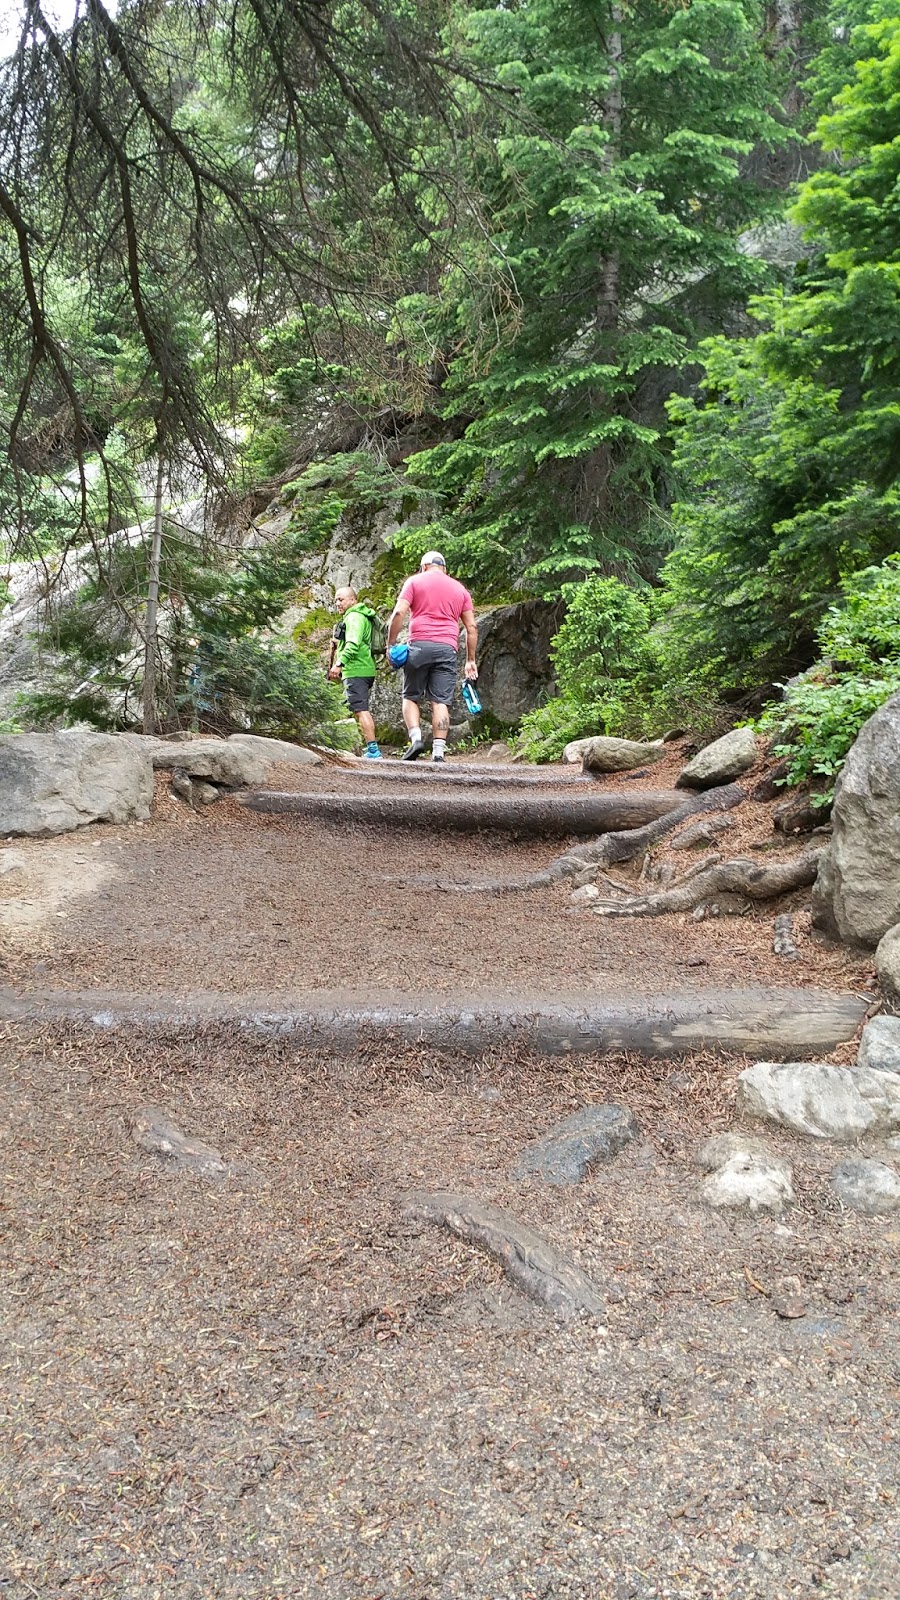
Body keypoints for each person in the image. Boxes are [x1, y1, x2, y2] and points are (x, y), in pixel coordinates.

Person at [386, 551, 478, 762]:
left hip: (419, 646)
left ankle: (416, 738)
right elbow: (471, 626)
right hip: (447, 648)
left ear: (424, 566)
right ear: (444, 568)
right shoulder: (460, 589)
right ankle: (438, 753)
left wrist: (390, 644)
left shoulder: (415, 582)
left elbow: (399, 613)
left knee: (410, 696)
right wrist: (470, 660)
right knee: (441, 701)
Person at [328, 586, 382, 759]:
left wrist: (338, 664)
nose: (338, 603)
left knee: (360, 709)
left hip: (356, 669)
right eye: (336, 600)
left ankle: (373, 750)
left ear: (353, 600)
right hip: (365, 667)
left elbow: (353, 644)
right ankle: (371, 748)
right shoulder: (360, 616)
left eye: (341, 599)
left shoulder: (354, 617)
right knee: (359, 708)